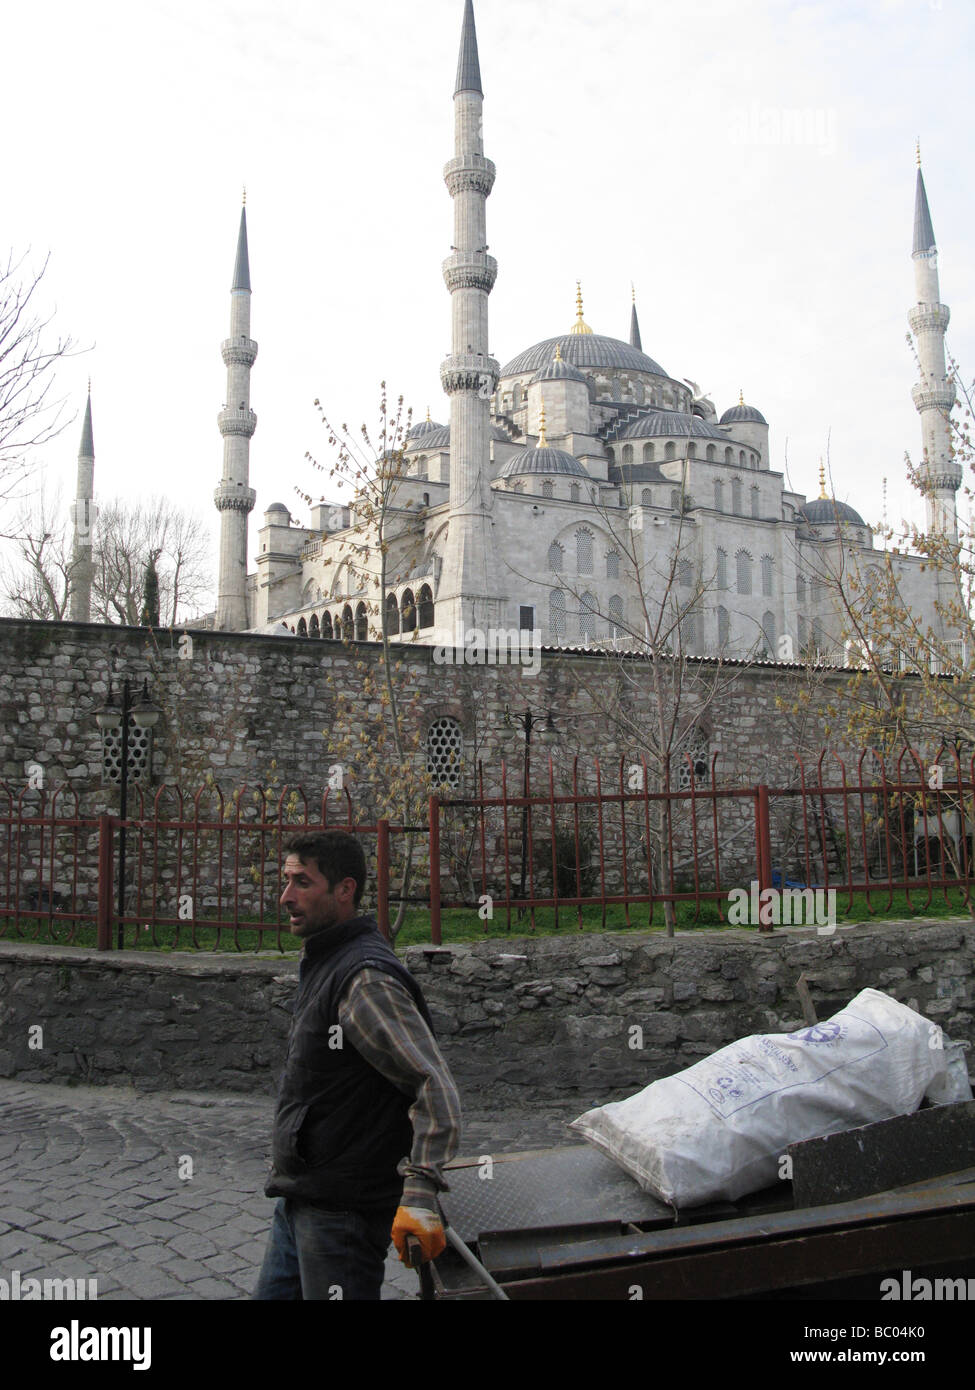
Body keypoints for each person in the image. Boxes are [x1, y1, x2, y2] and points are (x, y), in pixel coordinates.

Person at [252, 828, 462, 1300]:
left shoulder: (363, 979)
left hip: (341, 1214)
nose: (286, 896)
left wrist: (421, 1191)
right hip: (303, 1196)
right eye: (285, 881)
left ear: (344, 890)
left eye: (302, 883)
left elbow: (435, 1086)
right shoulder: (327, 958)